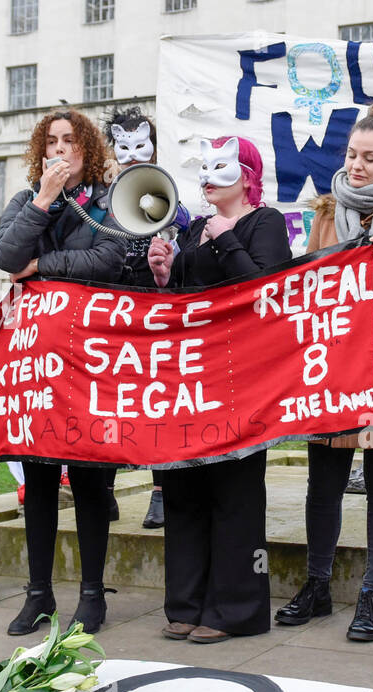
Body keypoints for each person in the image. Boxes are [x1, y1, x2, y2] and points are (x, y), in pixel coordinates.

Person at [274, 105, 373, 642]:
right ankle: (317, 587)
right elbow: (307, 289)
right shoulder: (325, 211)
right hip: (336, 366)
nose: (358, 165)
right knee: (323, 483)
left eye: (370, 158)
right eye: (352, 155)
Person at [145, 135, 289, 642]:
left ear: (248, 174)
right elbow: (185, 296)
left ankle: (233, 609)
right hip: (189, 379)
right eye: (203, 168)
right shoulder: (194, 229)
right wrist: (165, 275)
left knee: (234, 492)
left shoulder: (265, 223)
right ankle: (185, 603)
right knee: (184, 485)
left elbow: (266, 292)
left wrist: (228, 240)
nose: (207, 176)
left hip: (240, 380)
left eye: (220, 167)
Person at [0, 108, 126, 636]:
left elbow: (110, 258)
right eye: (52, 142)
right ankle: (38, 593)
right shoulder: (27, 201)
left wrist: (43, 266)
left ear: (86, 149)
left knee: (90, 477)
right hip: (35, 363)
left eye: (70, 141)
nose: (60, 150)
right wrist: (44, 201)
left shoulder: (106, 201)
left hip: (89, 359)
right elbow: (6, 255)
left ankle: (92, 595)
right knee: (41, 479)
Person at [102, 106, 192, 531]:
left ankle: (161, 490)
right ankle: (102, 488)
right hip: (112, 300)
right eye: (125, 146)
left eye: (142, 145)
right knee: (105, 395)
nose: (134, 154)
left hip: (154, 299)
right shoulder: (99, 200)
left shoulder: (165, 190)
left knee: (156, 397)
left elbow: (187, 230)